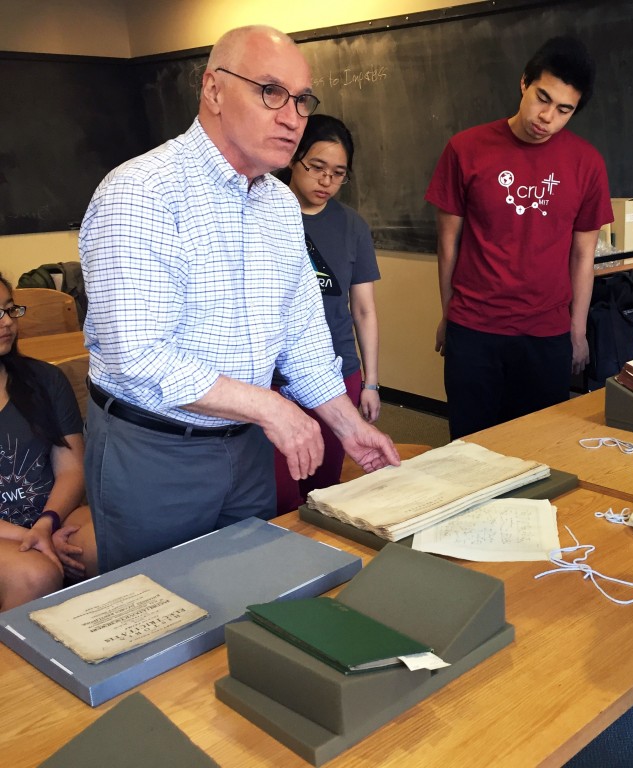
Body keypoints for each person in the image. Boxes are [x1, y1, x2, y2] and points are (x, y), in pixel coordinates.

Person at [79, 25, 399, 573]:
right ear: (214, 90)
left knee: (252, 597)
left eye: (302, 100)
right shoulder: (140, 193)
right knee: (165, 624)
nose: (292, 116)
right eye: (270, 91)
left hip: (247, 446)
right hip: (158, 452)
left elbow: (300, 336)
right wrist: (270, 406)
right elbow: (138, 356)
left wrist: (349, 427)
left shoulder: (277, 203)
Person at [426, 35, 613, 439]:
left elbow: (584, 257)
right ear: (524, 83)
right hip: (475, 328)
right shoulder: (465, 149)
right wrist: (449, 314)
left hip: (546, 334)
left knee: (538, 450)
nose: (548, 116)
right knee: (469, 448)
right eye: (543, 98)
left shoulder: (588, 164)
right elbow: (447, 245)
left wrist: (576, 331)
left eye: (565, 109)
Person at [272, 114, 382, 514]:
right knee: (282, 491)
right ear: (293, 158)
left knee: (326, 488)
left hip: (338, 371)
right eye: (316, 168)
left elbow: (364, 310)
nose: (326, 182)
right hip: (275, 378)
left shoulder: (352, 226)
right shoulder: (266, 213)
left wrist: (371, 382)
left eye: (338, 174)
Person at [0, 274, 96, 610]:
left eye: (10, 310)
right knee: (35, 574)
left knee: (107, 541)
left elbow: (71, 468)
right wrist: (28, 538)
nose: (8, 322)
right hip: (5, 534)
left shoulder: (45, 379)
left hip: (50, 517)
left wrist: (46, 523)